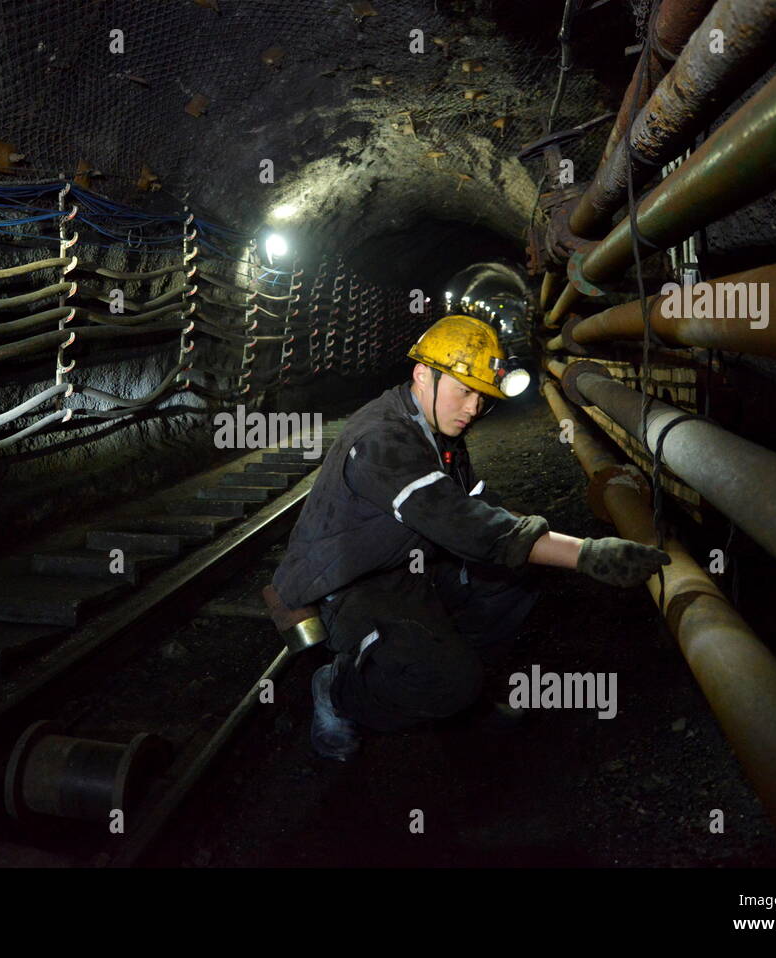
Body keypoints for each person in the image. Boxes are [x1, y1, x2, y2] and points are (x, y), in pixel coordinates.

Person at [270, 314, 670, 761]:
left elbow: (475, 500)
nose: (473, 408)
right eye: (464, 391)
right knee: (449, 681)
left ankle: (458, 673)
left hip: (410, 564)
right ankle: (340, 689)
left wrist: (540, 539)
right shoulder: (382, 438)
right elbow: (463, 523)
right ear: (423, 375)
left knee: (515, 579)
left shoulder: (436, 428)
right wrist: (584, 554)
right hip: (352, 584)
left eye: (482, 396)